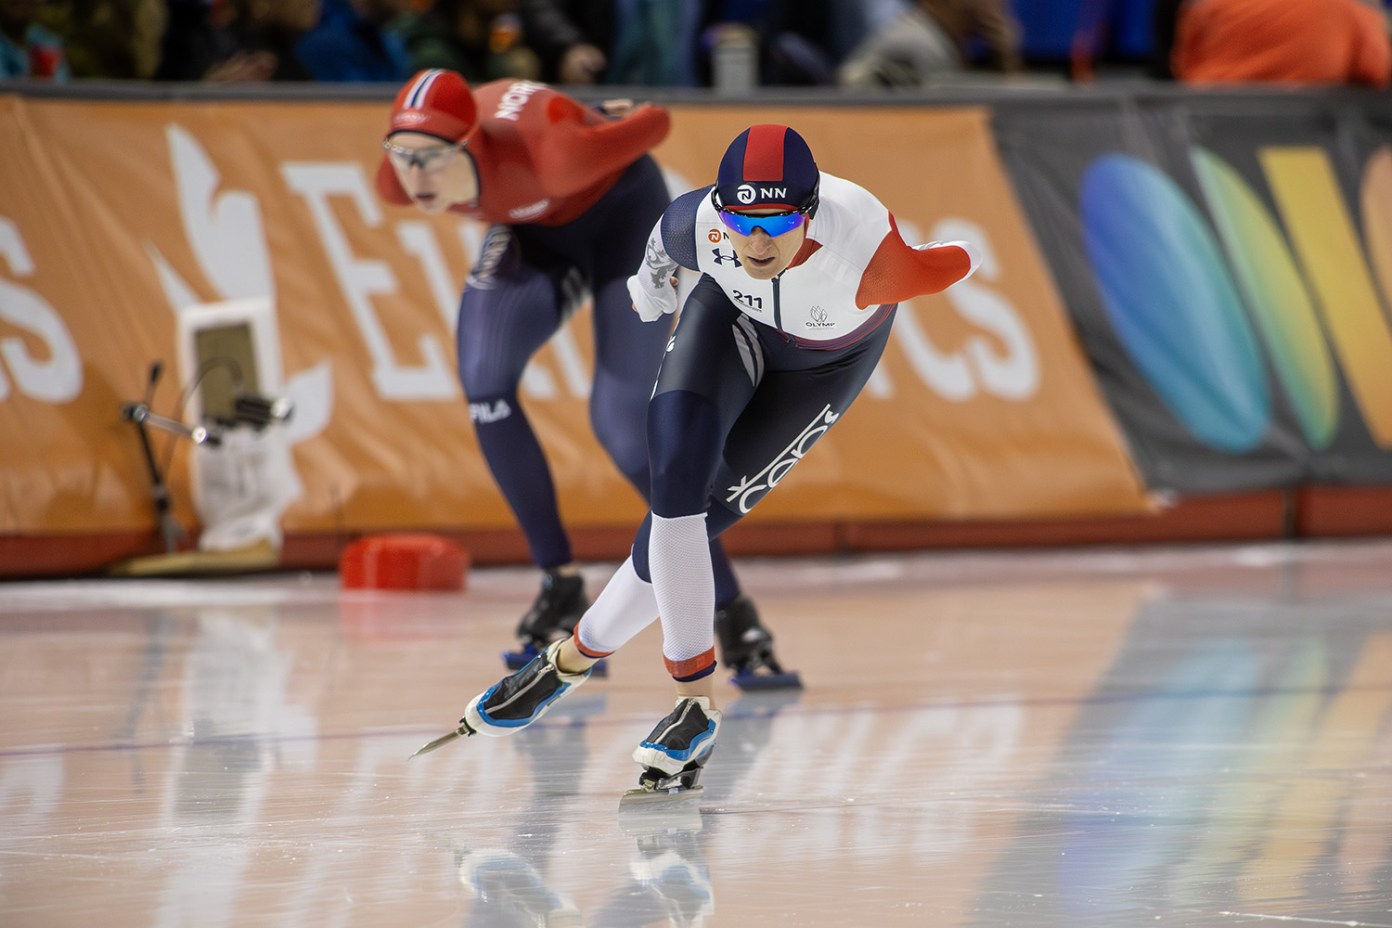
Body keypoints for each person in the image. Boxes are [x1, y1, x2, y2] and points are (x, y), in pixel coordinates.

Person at [448, 124, 979, 794]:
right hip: (725, 322)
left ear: (809, 214)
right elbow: (660, 251)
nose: (756, 243)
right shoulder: (692, 223)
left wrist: (957, 255)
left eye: (778, 222)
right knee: (672, 485)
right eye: (741, 221)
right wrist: (653, 288)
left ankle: (571, 659)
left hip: (822, 366)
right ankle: (693, 701)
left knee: (698, 521)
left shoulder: (875, 263)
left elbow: (955, 260)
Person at [375, 69, 790, 682]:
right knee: (485, 382)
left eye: (433, 161)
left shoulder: (556, 154)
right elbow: (414, 168)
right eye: (404, 157)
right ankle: (559, 582)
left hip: (623, 219)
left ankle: (731, 612)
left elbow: (658, 121)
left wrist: (599, 115)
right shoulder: (398, 180)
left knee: (626, 433)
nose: (416, 179)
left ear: (473, 143)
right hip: (536, 231)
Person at [1172, 0, 1391, 88]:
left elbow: (1184, 65)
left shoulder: (1208, 5)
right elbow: (1379, 73)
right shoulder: (1348, 11)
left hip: (1202, 131)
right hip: (1307, 140)